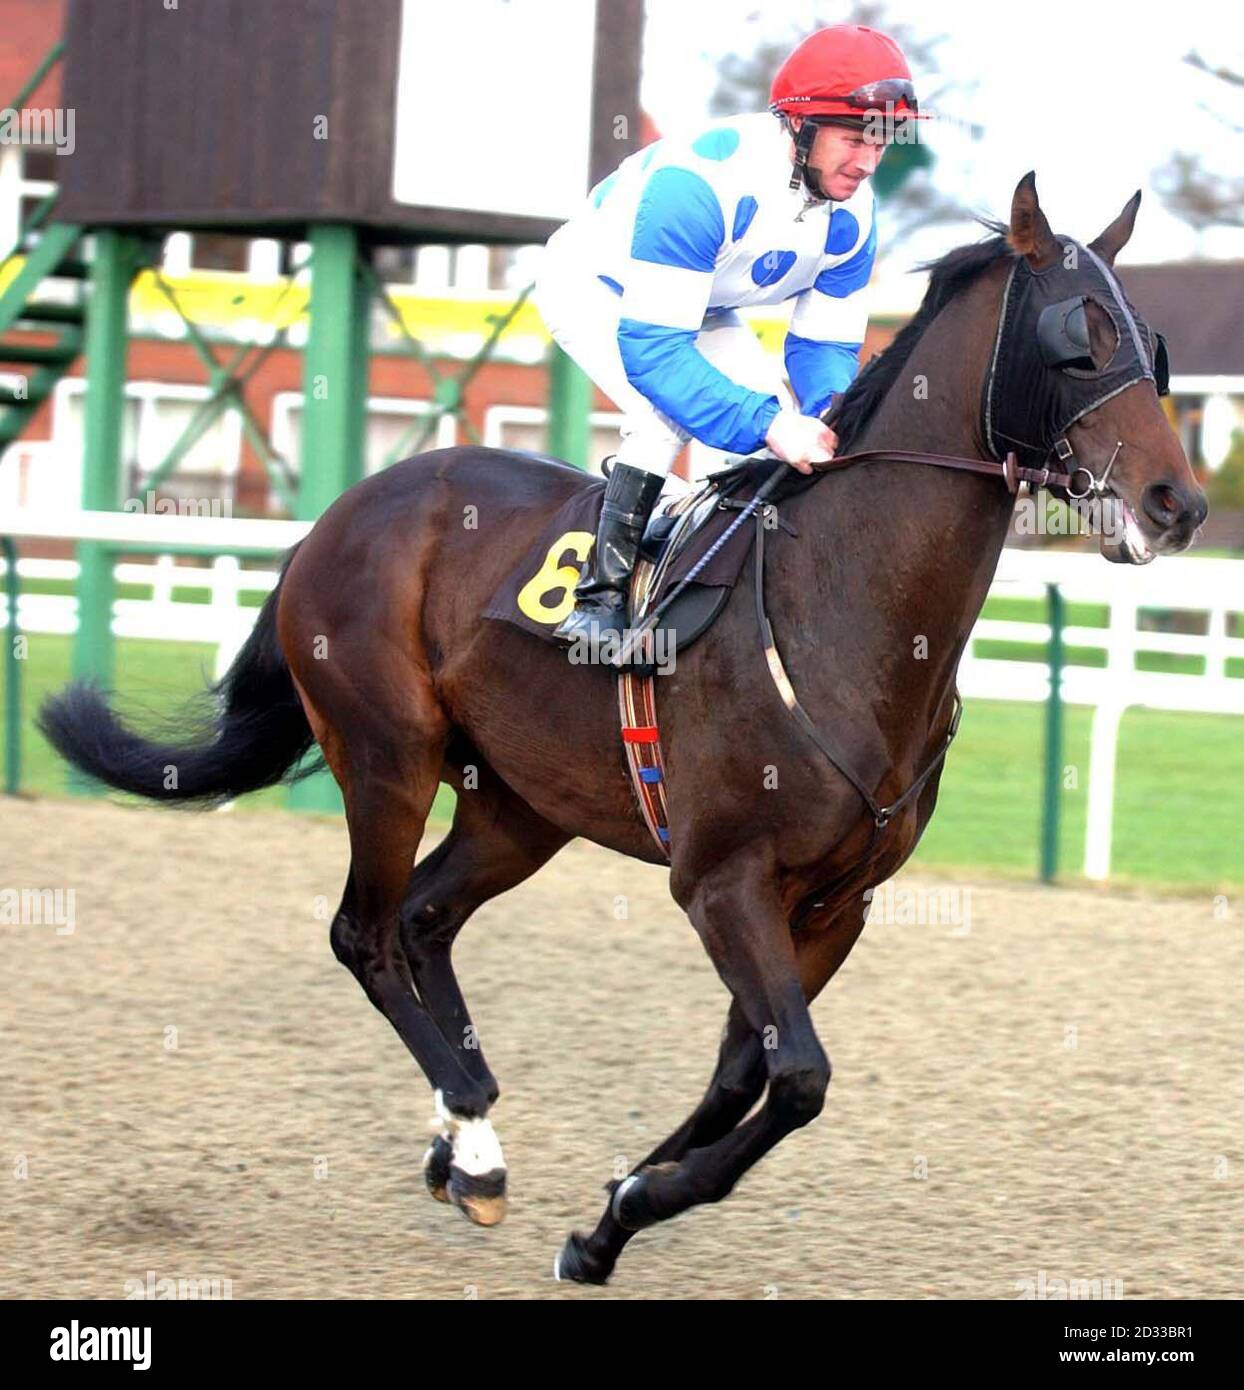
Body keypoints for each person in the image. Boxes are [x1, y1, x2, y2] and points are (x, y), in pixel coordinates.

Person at [533, 23, 920, 657]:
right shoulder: (699, 186)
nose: (867, 164)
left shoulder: (856, 214)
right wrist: (769, 424)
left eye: (881, 143)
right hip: (597, 288)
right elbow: (657, 355)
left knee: (785, 423)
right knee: (670, 415)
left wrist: (829, 417)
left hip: (704, 303)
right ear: (800, 125)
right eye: (854, 140)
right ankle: (598, 600)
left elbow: (823, 348)